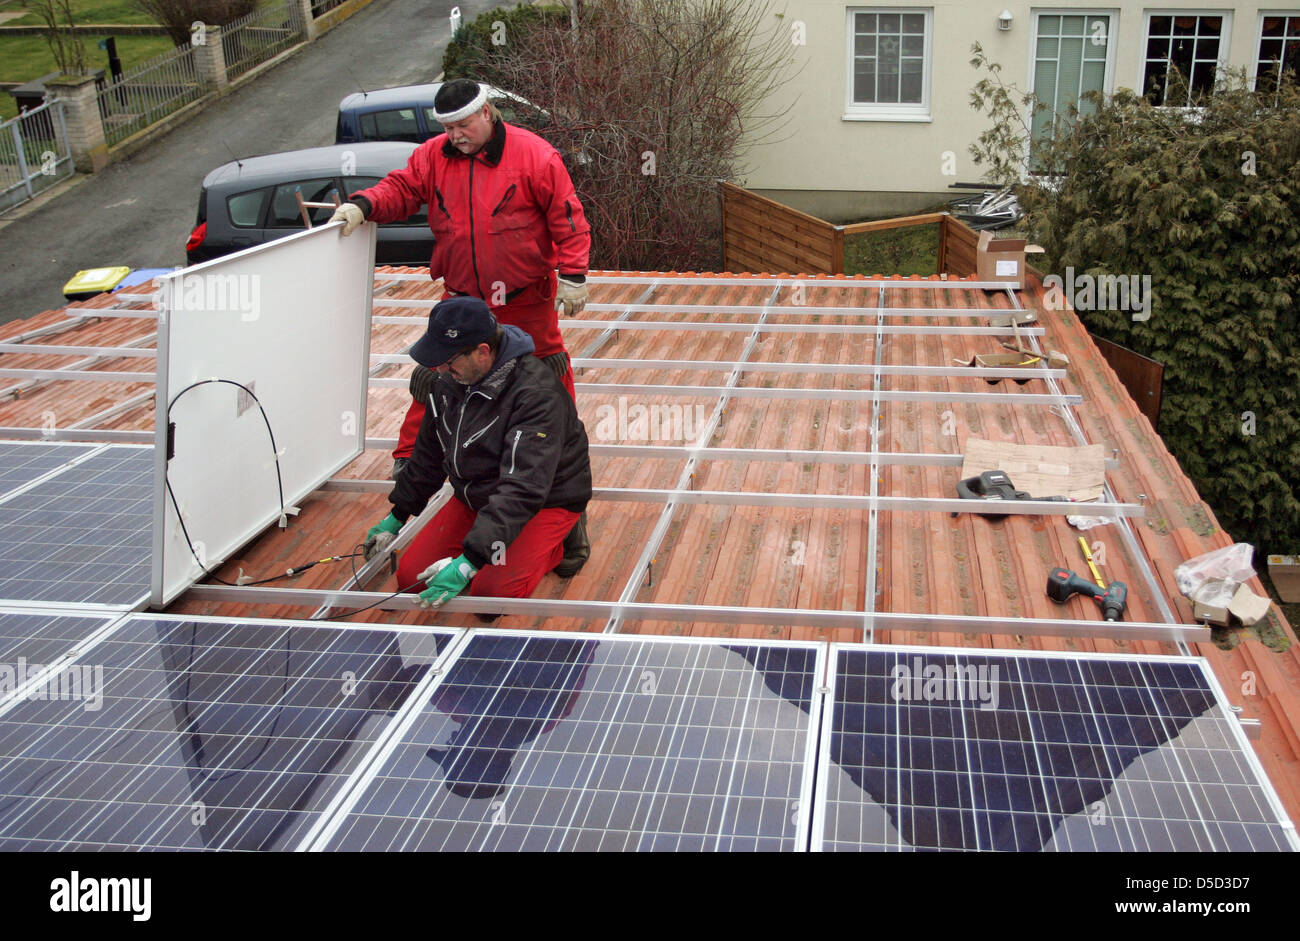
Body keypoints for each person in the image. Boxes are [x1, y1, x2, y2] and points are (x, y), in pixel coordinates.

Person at [333, 77, 592, 575]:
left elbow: (567, 217)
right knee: (441, 387)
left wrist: (575, 275)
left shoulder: (535, 157)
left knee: (551, 397)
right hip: (463, 302)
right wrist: (363, 205)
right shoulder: (433, 157)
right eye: (448, 127)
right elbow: (402, 189)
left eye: (463, 124)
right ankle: (425, 479)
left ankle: (566, 516)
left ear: (488, 113)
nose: (455, 135)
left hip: (525, 303)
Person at [362, 297, 592, 611]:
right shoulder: (449, 382)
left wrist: (469, 562)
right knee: (411, 579)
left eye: (449, 360)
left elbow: (521, 489)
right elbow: (429, 455)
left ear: (483, 352)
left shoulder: (535, 396)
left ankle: (555, 544)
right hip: (478, 494)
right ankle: (489, 544)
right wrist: (396, 516)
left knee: (489, 597)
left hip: (543, 500)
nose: (440, 368)